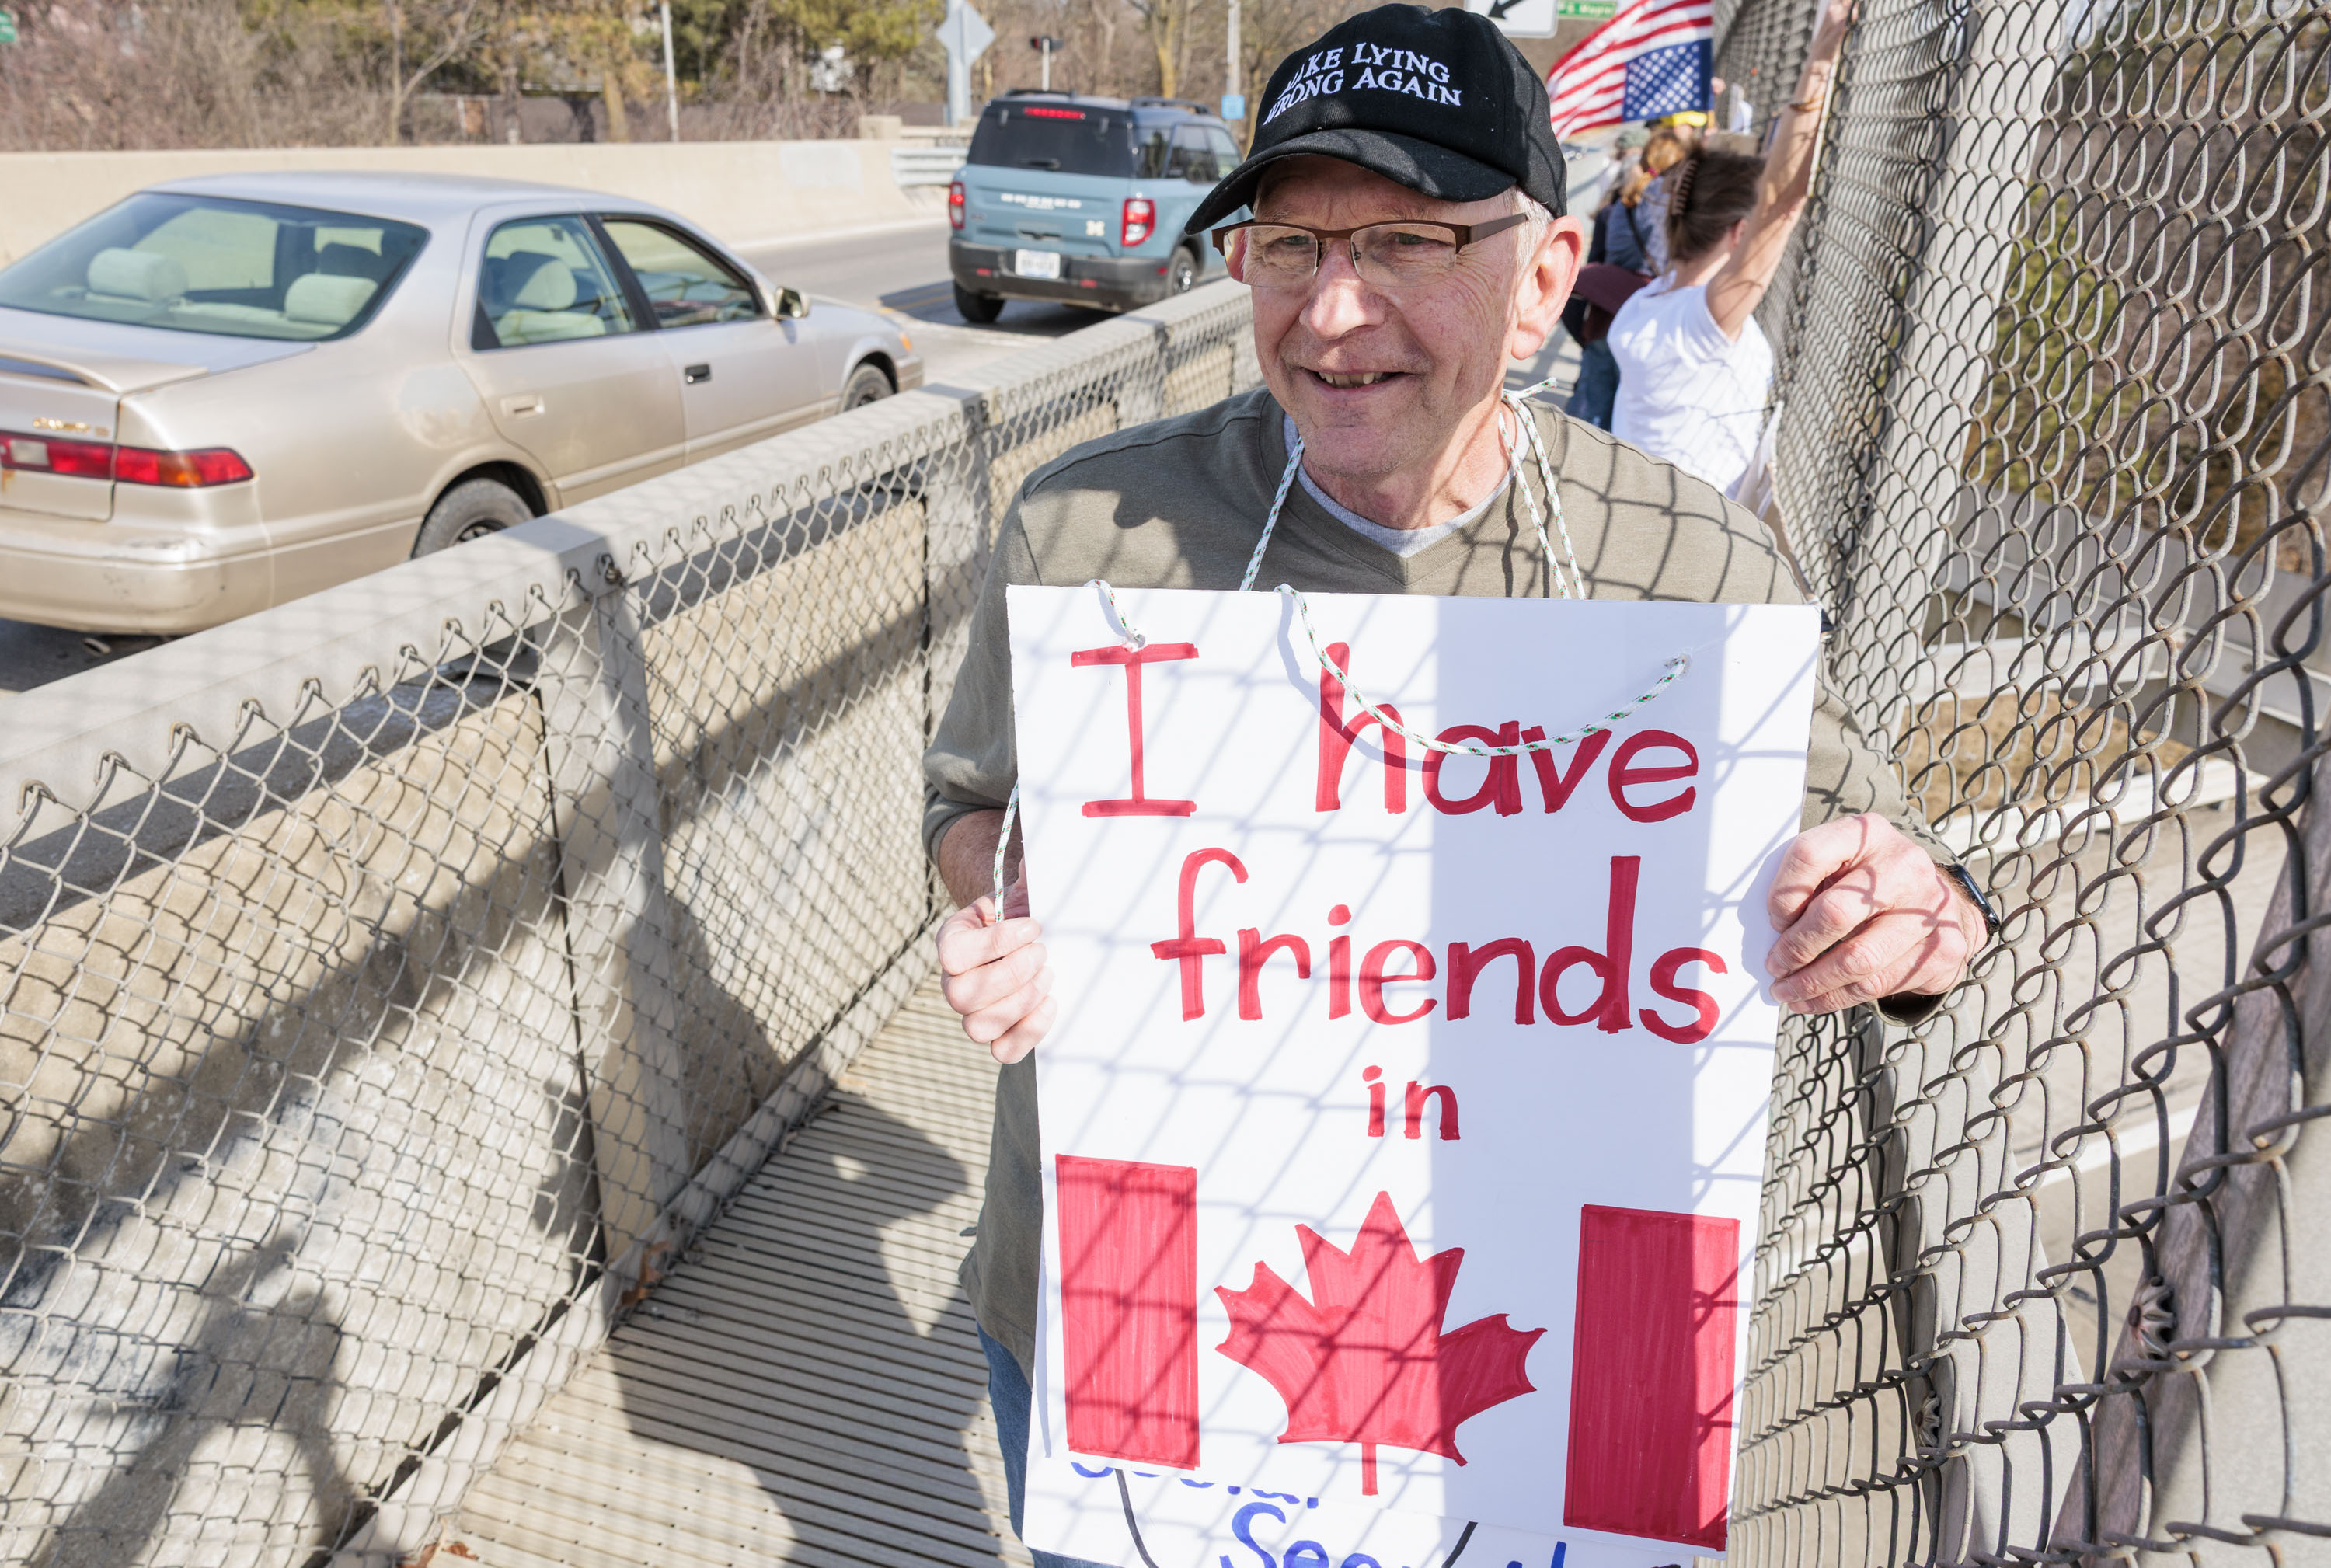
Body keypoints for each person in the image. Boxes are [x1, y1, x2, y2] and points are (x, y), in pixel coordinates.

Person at [919, 5, 1986, 1561]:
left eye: (1411, 241)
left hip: (1558, 1340)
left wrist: (1912, 921)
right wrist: (1000, 892)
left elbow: (1908, 883)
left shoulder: (1693, 571)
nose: (1334, 310)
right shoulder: (1094, 529)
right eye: (1288, 246)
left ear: (1547, 274)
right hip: (1133, 1279)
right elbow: (967, 795)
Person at [1607, 0, 1854, 498]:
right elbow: (1783, 203)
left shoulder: (1647, 303)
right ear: (1742, 233)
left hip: (1631, 517)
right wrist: (1821, 58)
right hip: (1689, 543)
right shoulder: (1704, 321)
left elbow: (1764, 193)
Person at [1563, 127, 1682, 427]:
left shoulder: (1619, 206)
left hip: (1606, 313)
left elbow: (1597, 261)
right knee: (1630, 414)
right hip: (1650, 315)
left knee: (1591, 406)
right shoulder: (1674, 214)